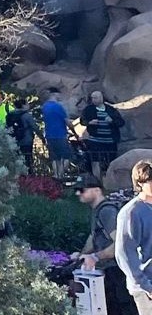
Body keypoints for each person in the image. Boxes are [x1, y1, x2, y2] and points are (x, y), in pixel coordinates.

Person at [80, 174, 135, 311]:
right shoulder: (98, 211)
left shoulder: (107, 211)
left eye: (83, 190)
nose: (78, 193)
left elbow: (120, 243)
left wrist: (96, 257)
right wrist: (80, 255)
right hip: (107, 271)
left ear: (97, 190)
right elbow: (93, 239)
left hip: (117, 271)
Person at [113, 160, 152, 312]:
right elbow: (124, 254)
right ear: (140, 182)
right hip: (146, 288)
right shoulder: (131, 213)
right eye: (150, 180)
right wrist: (146, 286)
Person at [86, 91, 128, 178]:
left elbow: (121, 122)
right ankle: (97, 181)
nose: (93, 100)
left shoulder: (111, 110)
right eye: (92, 98)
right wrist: (89, 122)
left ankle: (110, 180)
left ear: (101, 98)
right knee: (95, 161)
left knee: (111, 162)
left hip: (110, 141)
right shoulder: (89, 110)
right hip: (95, 140)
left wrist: (112, 121)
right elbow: (83, 120)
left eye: (96, 97)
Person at [44, 90, 72, 178]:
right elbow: (67, 121)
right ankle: (61, 175)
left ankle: (56, 175)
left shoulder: (44, 107)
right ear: (55, 94)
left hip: (49, 135)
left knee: (55, 157)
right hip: (60, 134)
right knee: (66, 156)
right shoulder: (58, 107)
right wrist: (73, 131)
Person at [7, 97, 35, 174]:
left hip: (14, 141)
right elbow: (34, 127)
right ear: (23, 105)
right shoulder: (27, 116)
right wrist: (42, 138)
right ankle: (29, 176)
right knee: (28, 160)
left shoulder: (10, 115)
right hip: (26, 140)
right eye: (27, 104)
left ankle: (19, 176)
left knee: (17, 160)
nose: (29, 105)